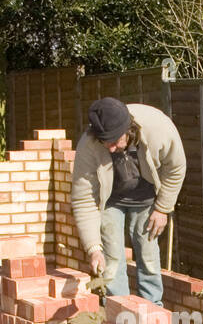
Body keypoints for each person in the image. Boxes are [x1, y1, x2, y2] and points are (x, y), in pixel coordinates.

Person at [70, 97, 186, 305]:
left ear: (128, 129)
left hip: (147, 199)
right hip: (111, 201)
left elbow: (176, 168)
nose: (111, 148)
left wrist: (162, 208)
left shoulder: (158, 129)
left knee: (148, 257)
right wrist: (94, 248)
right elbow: (83, 199)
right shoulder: (88, 145)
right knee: (112, 260)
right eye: (106, 143)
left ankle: (152, 310)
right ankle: (119, 311)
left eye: (115, 141)